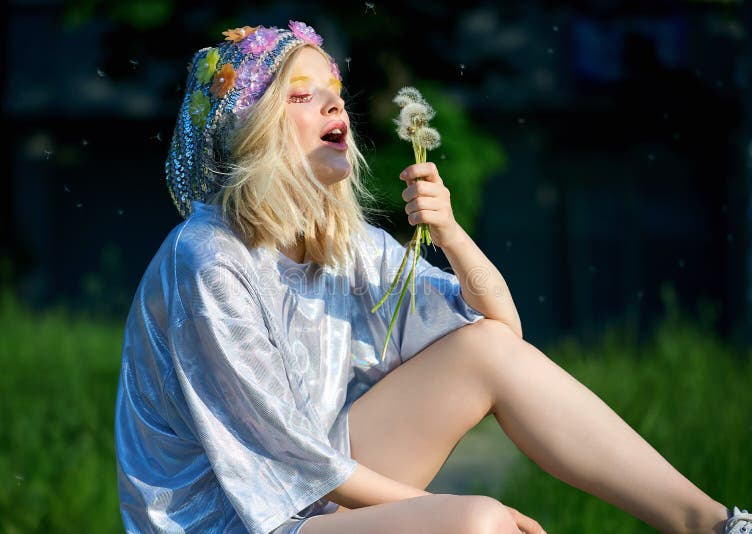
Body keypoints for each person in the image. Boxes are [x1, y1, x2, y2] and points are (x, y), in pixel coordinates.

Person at [114, 20, 750, 534]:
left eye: (334, 90)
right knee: (477, 523)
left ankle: (712, 524)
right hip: (236, 518)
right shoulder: (209, 258)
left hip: (313, 491)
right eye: (301, 95)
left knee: (487, 356)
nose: (335, 102)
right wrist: (443, 510)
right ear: (250, 131)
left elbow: (501, 339)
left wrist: (450, 234)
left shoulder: (346, 245)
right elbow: (288, 458)